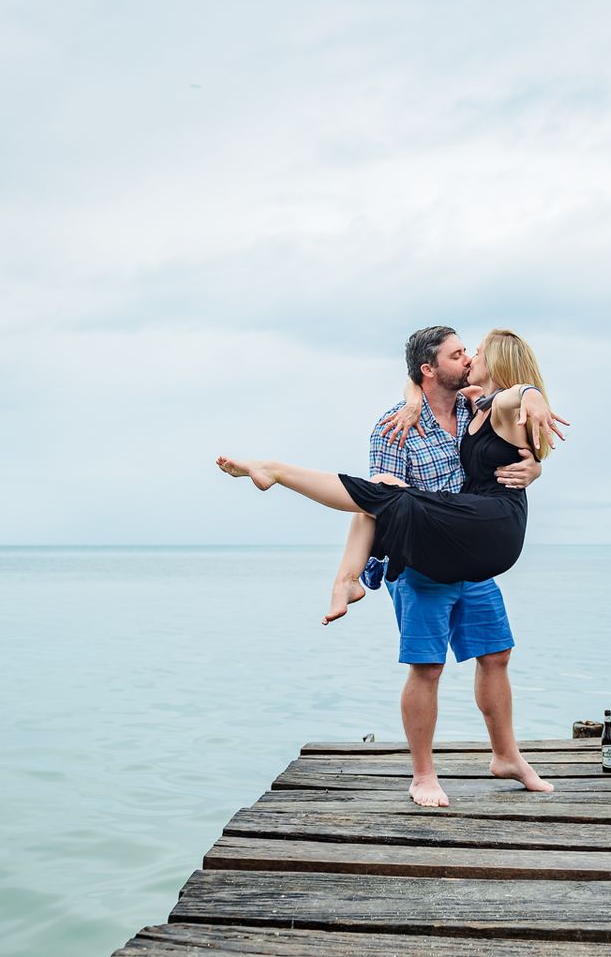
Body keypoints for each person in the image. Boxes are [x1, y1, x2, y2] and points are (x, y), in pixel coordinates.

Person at [217, 327, 565, 807]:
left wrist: (536, 460)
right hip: (423, 561)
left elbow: (511, 414)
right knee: (426, 665)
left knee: (497, 656)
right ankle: (423, 775)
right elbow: (375, 507)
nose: (467, 359)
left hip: (473, 549)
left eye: (470, 352)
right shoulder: (395, 423)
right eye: (457, 354)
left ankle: (506, 755)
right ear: (429, 369)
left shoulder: (472, 404)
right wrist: (411, 403)